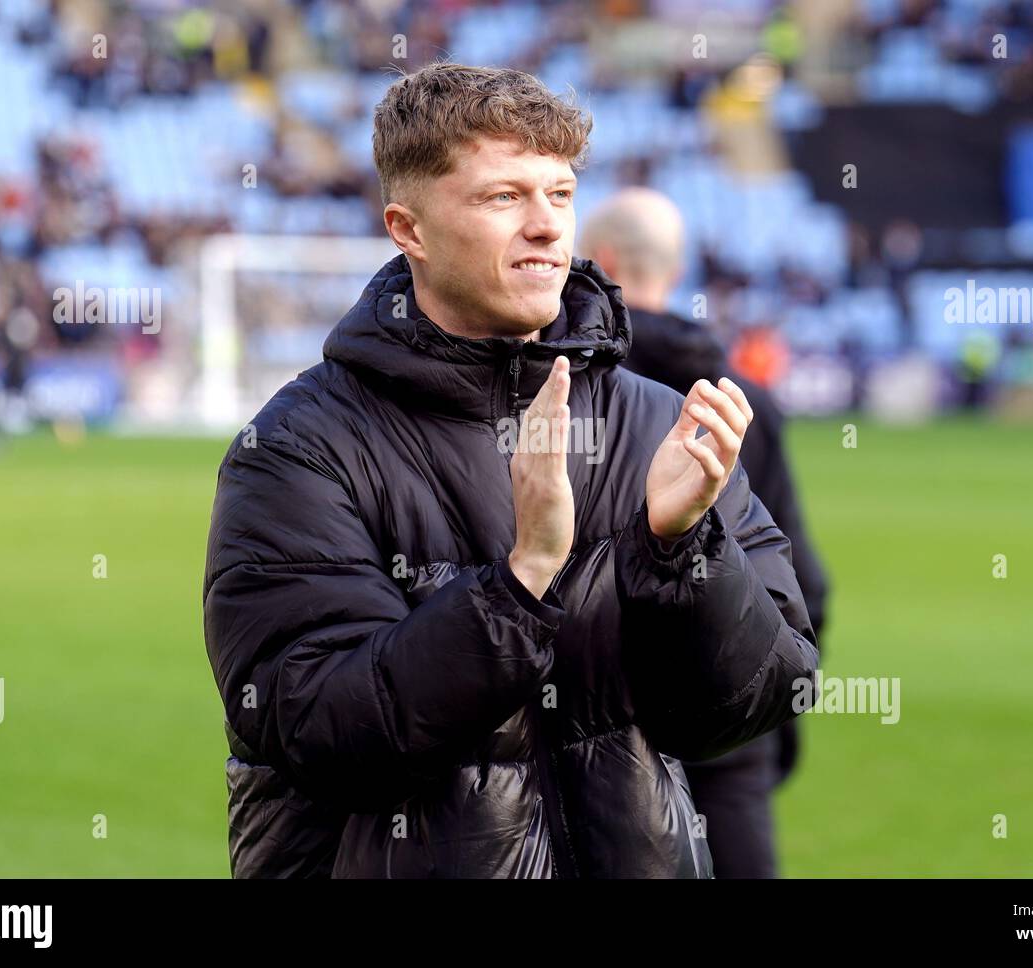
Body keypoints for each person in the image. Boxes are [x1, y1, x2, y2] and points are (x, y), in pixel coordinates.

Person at [202, 62, 818, 878]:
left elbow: (759, 701)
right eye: (504, 198)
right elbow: (319, 728)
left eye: (559, 195)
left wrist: (680, 553)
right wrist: (520, 582)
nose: (545, 226)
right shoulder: (298, 448)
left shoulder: (651, 419)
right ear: (408, 229)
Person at [580, 187, 829, 877]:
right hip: (727, 717)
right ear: (674, 265)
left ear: (598, 259)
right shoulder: (746, 401)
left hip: (600, 714)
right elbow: (802, 581)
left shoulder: (561, 384)